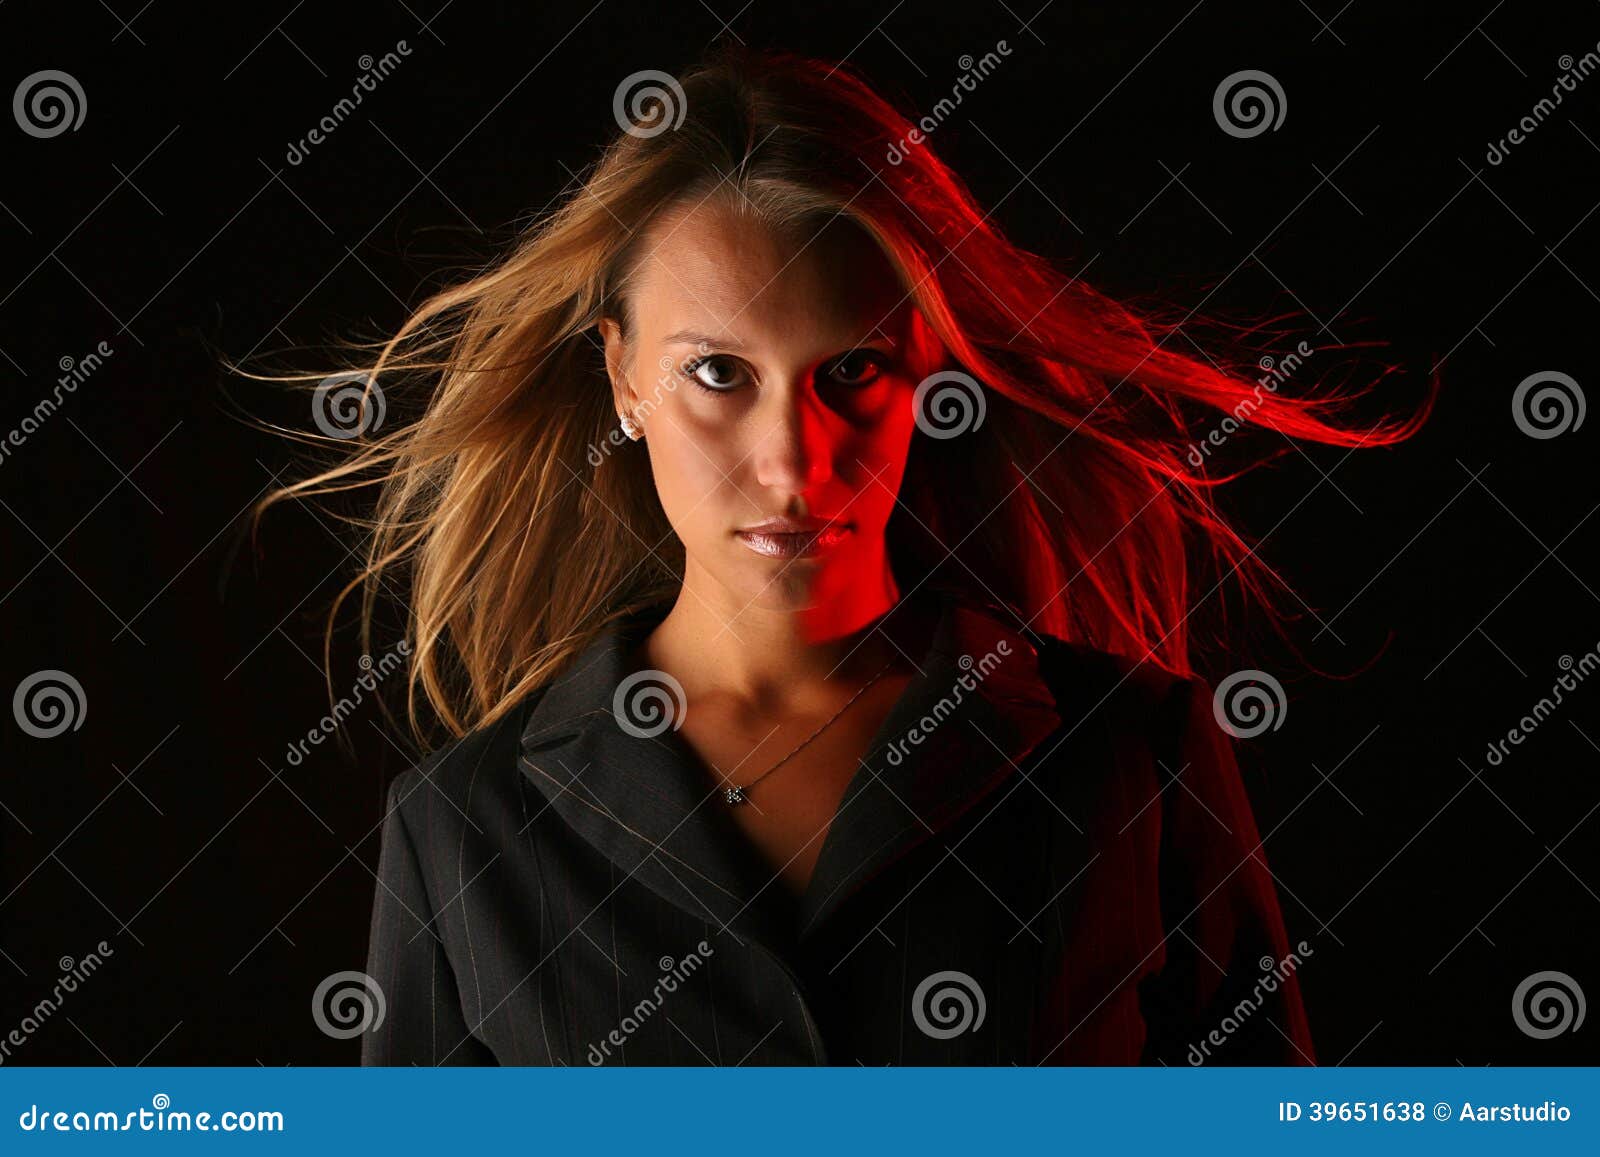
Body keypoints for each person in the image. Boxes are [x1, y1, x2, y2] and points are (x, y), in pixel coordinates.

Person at [254, 42, 1427, 1065]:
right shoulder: (465, 823)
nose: (793, 461)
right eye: (718, 373)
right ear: (622, 377)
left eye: (853, 371)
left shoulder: (1136, 757)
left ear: (928, 376)